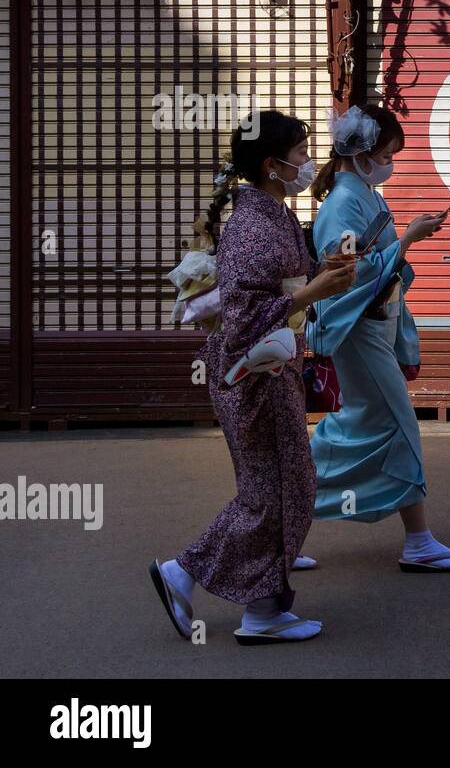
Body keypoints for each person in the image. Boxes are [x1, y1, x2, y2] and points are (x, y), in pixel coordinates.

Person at [150, 111, 356, 645]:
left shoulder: (273, 214)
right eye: (301, 153)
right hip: (254, 376)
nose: (309, 163)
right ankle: (212, 585)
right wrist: (312, 292)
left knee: (279, 489)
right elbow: (244, 314)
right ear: (273, 165)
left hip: (274, 368)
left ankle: (252, 601)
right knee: (275, 492)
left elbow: (283, 282)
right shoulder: (252, 223)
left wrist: (321, 269)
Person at [306, 104, 450, 571]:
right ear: (361, 155)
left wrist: (406, 241)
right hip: (359, 332)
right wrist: (408, 241)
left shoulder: (360, 194)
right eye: (387, 153)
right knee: (396, 425)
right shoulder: (344, 203)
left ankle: (282, 513)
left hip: (370, 326)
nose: (390, 162)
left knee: (360, 426)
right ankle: (417, 541)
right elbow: (344, 276)